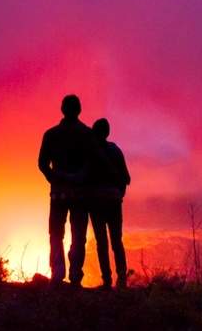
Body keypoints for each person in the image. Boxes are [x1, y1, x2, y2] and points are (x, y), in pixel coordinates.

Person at [37, 94, 94, 286]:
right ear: (79, 110)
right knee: (78, 234)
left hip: (58, 192)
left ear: (62, 109)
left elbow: (42, 163)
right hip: (80, 193)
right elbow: (92, 163)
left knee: (56, 232)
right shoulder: (87, 134)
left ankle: (58, 272)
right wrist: (79, 177)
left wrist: (55, 178)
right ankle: (75, 273)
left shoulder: (51, 134)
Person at [88, 117, 130, 289]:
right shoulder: (116, 150)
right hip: (114, 201)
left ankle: (107, 280)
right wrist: (119, 194)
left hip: (96, 203)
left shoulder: (91, 152)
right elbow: (126, 178)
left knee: (101, 242)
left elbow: (86, 177)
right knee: (116, 241)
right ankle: (122, 278)